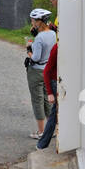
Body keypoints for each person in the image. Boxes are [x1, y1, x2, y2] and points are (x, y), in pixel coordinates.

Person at [23, 9, 57, 139]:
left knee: (37, 101)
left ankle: (41, 131)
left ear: (38, 22)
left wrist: (28, 49)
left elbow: (35, 58)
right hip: (47, 69)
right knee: (47, 99)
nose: (31, 22)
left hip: (36, 71)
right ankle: (51, 129)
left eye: (33, 20)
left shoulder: (38, 38)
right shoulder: (53, 34)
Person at [36, 19, 60, 150]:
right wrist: (50, 93)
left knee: (56, 113)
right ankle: (42, 144)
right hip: (55, 82)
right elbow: (46, 71)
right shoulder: (56, 48)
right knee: (54, 113)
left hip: (61, 82)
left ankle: (43, 143)